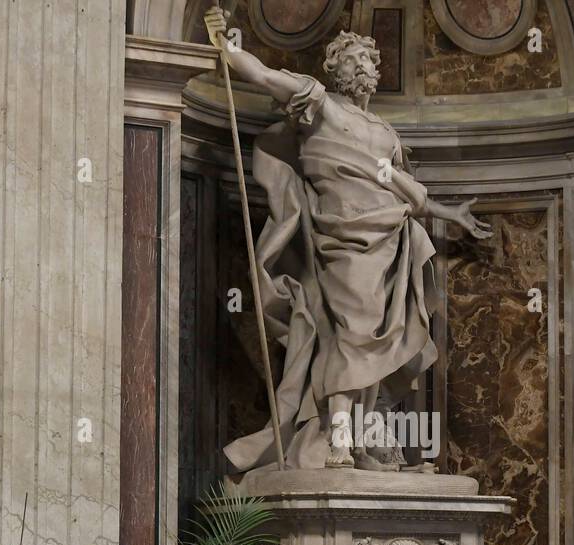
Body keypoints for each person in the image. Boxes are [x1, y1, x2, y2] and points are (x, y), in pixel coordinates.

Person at [203, 5, 491, 472]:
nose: (361, 67)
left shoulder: (386, 132)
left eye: (367, 61)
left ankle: (364, 443)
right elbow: (262, 74)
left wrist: (446, 212)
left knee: (381, 346)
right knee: (353, 338)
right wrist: (226, 45)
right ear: (333, 70)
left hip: (390, 239)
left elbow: (409, 191)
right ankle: (338, 442)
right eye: (351, 60)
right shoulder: (319, 104)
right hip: (342, 241)